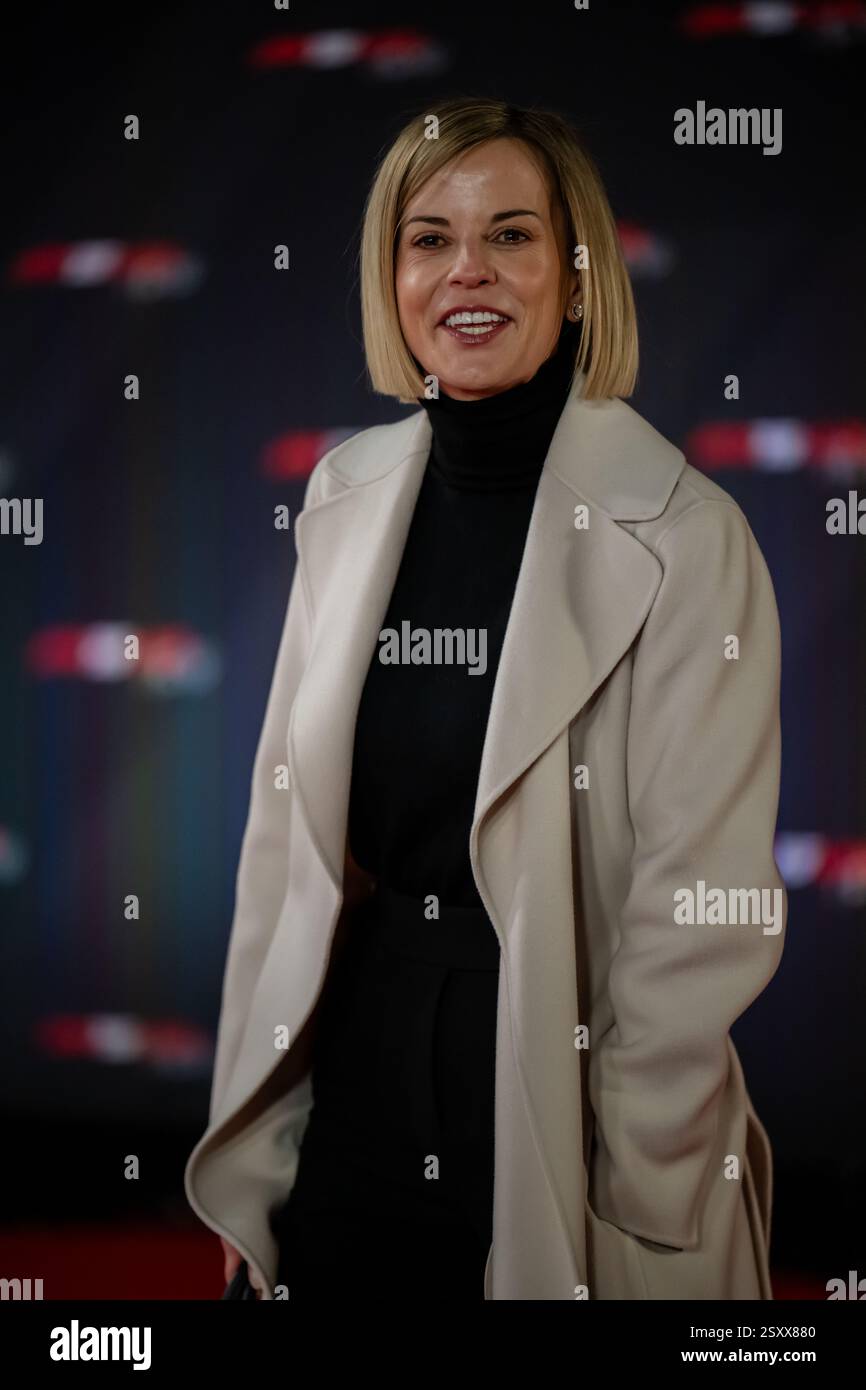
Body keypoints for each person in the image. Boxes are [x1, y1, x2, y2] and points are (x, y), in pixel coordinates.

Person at [185, 95, 786, 1301]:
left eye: (511, 235)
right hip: (350, 1085)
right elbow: (282, 850)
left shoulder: (686, 535)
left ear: (575, 277)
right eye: (428, 238)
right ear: (391, 277)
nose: (467, 270)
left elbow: (698, 908)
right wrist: (250, 1142)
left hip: (556, 1100)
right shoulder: (343, 493)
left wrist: (641, 1182)